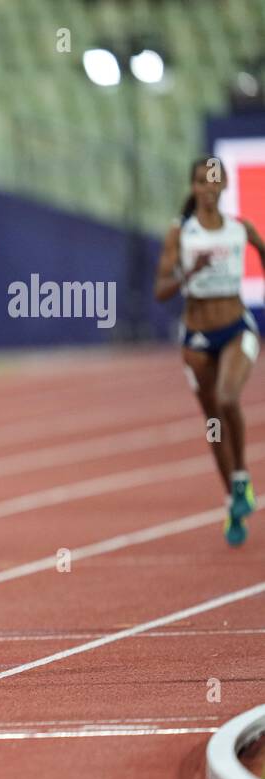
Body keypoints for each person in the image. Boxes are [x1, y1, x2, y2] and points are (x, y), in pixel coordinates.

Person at [154, 157, 265, 545]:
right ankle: (233, 494)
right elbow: (161, 290)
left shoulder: (239, 229)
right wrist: (191, 271)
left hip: (236, 328)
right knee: (213, 421)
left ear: (224, 186)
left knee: (227, 397)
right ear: (194, 187)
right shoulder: (181, 234)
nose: (209, 187)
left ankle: (241, 477)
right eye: (202, 181)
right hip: (198, 338)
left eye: (215, 180)